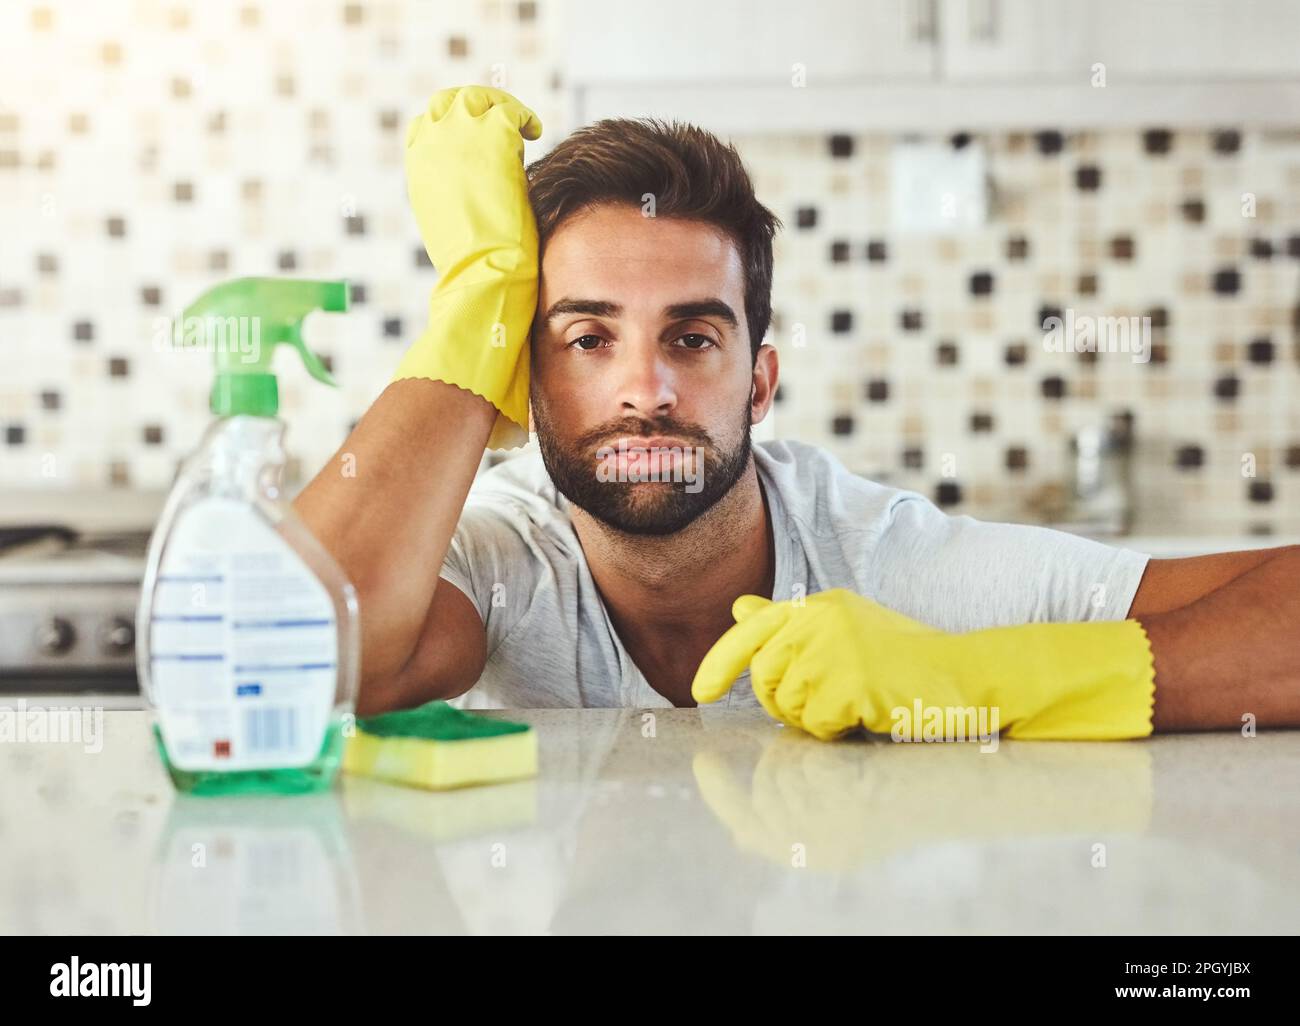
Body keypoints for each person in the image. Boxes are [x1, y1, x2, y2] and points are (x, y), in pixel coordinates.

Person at [294, 87, 1300, 739]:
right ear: (523, 378)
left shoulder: (888, 570)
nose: (647, 390)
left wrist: (976, 678)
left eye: (691, 338)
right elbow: (294, 659)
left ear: (760, 383)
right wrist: (477, 302)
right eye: (587, 340)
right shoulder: (506, 563)